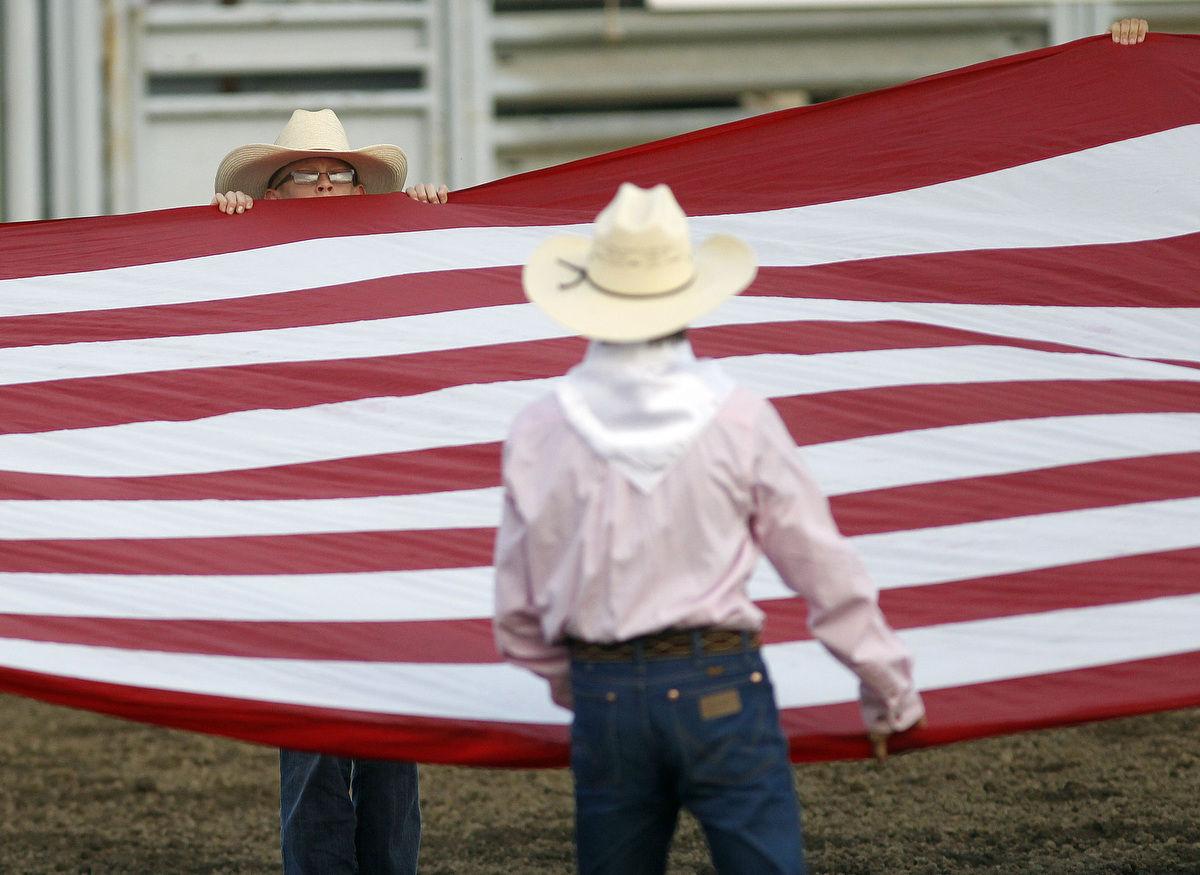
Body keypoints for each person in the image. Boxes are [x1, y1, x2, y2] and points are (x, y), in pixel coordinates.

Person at [493, 182, 926, 875]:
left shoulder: (540, 429)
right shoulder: (740, 418)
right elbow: (821, 562)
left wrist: (589, 686)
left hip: (606, 694)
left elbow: (516, 612)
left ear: (592, 300)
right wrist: (888, 686)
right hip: (718, 680)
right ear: (689, 298)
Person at [212, 108, 429, 875]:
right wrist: (229, 226)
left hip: (383, 525)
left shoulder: (394, 252)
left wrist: (443, 222)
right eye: (311, 174)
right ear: (273, 193)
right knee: (311, 737)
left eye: (342, 175)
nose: (331, 185)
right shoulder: (244, 256)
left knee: (391, 738)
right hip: (298, 533)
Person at [211, 107, 448, 215]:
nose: (325, 184)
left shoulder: (386, 241)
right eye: (305, 176)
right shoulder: (255, 246)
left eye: (340, 175)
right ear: (273, 198)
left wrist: (426, 214)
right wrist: (227, 220)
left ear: (359, 193)